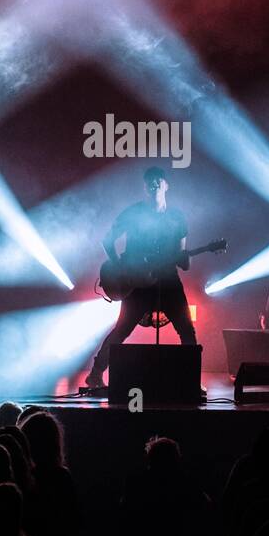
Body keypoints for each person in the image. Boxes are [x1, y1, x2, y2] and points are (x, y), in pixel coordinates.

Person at [86, 166, 197, 389]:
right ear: (145, 187)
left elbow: (184, 260)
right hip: (137, 282)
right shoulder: (133, 213)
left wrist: (185, 258)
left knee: (186, 330)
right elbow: (107, 240)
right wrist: (121, 267)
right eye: (149, 181)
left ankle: (191, 380)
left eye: (158, 180)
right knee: (122, 329)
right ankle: (95, 374)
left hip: (167, 280)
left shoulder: (176, 217)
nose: (153, 184)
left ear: (166, 185)